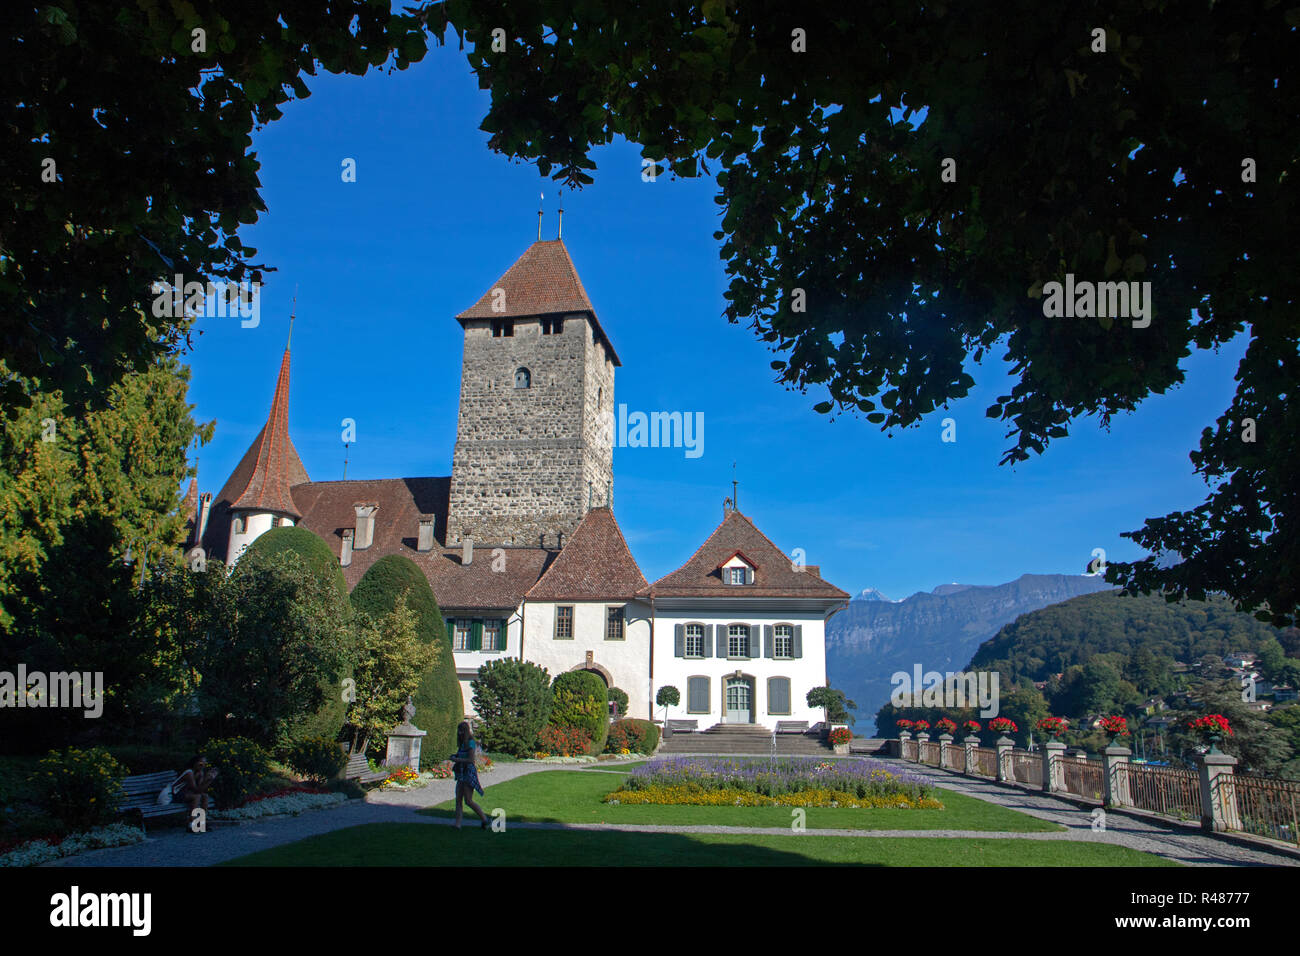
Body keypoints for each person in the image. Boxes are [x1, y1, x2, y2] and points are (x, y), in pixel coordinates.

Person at [450, 721, 488, 830]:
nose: (460, 733)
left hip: (468, 772)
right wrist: (455, 756)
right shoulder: (462, 744)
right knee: (458, 799)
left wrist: (457, 759)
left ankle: (484, 819)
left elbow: (471, 760)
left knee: (468, 800)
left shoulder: (471, 743)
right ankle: (457, 824)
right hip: (461, 772)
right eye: (459, 731)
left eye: (462, 731)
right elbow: (460, 754)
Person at [172, 755, 218, 832]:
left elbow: (201, 789)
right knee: (197, 797)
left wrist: (209, 780)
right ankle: (191, 824)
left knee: (205, 796)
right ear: (194, 763)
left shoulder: (200, 773)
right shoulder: (189, 773)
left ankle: (201, 823)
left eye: (204, 764)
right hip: (175, 794)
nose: (203, 765)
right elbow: (196, 790)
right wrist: (207, 780)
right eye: (200, 763)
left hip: (186, 794)